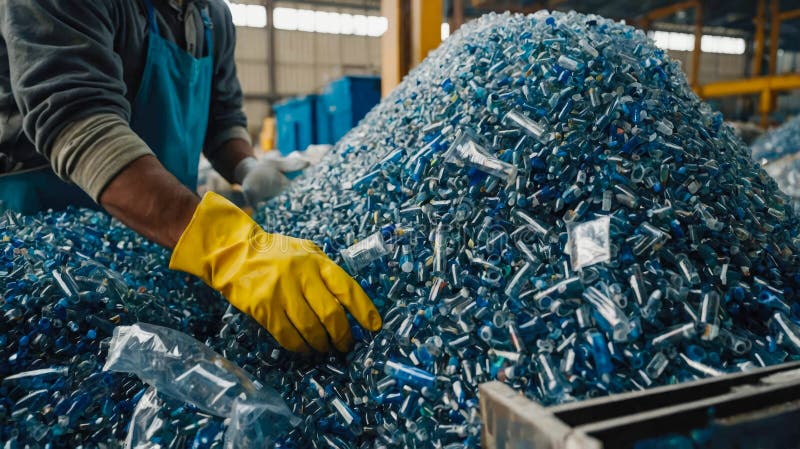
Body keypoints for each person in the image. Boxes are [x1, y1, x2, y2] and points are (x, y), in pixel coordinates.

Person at [0, 0, 381, 353]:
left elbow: (222, 120)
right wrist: (228, 248)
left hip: (165, 234)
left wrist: (246, 165)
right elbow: (78, 124)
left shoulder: (210, 16)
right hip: (49, 241)